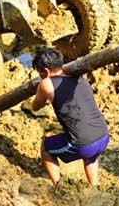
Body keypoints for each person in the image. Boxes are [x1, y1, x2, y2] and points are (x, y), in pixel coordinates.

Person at [28, 46, 110, 187]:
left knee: (46, 148)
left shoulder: (46, 83)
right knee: (90, 157)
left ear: (45, 72)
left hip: (84, 144)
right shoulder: (80, 79)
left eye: (40, 73)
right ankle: (95, 186)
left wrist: (39, 95)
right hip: (103, 136)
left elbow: (35, 107)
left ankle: (59, 186)